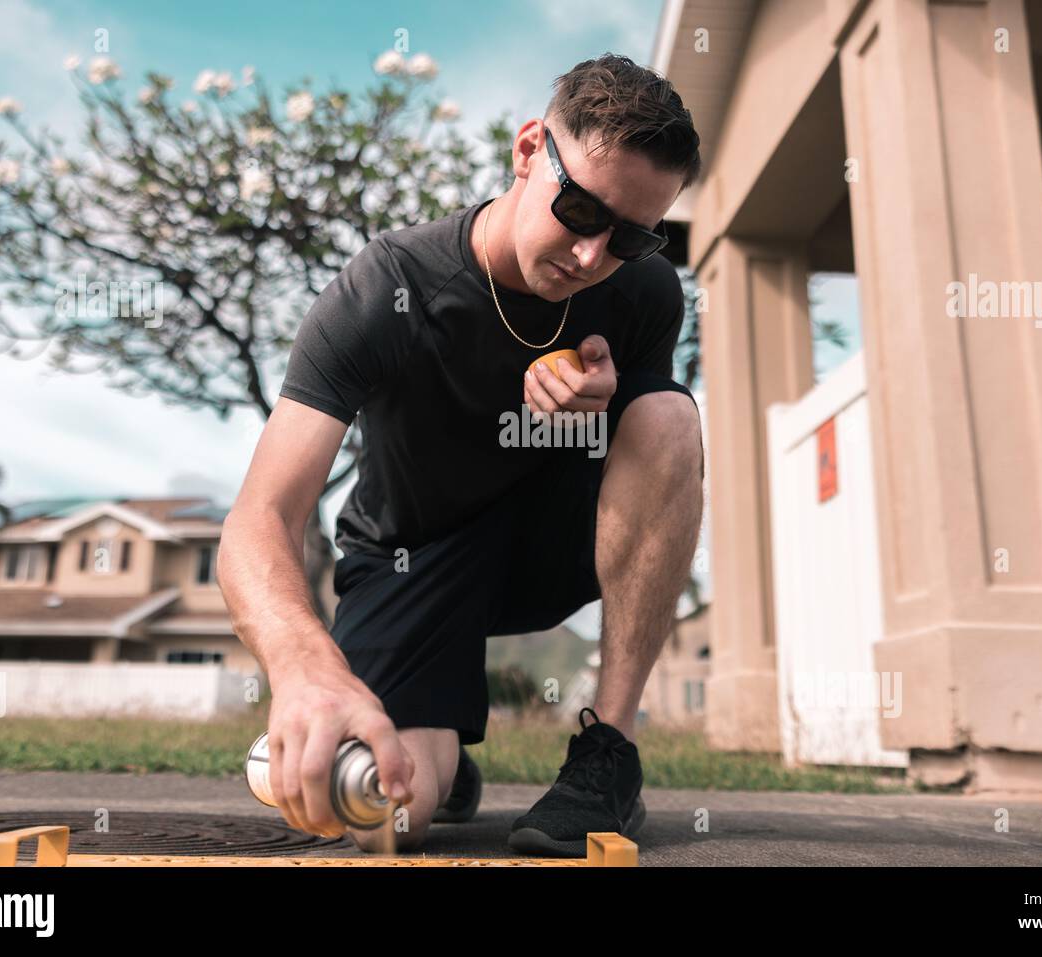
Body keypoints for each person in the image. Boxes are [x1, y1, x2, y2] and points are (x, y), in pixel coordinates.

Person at [219, 52, 704, 858]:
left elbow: (654, 456)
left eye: (632, 236)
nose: (592, 256)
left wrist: (613, 397)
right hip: (415, 554)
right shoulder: (386, 287)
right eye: (580, 210)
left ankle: (609, 753)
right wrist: (306, 664)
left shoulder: (644, 291)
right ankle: (442, 744)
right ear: (527, 152)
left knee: (667, 415)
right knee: (388, 812)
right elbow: (258, 517)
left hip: (552, 545)